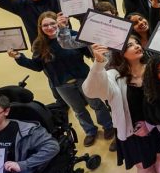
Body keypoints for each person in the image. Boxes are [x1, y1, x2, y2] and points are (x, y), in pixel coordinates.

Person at [83, 40, 160, 173]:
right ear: (120, 52)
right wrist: (98, 63)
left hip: (157, 126)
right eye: (129, 45)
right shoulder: (113, 75)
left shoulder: (153, 69)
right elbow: (91, 90)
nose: (136, 46)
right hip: (131, 131)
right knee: (144, 166)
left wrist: (150, 125)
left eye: (137, 43)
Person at [8, 11, 114, 145]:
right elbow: (37, 66)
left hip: (84, 77)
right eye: (45, 25)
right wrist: (19, 58)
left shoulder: (72, 35)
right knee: (78, 110)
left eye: (52, 23)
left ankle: (108, 126)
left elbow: (89, 53)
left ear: (58, 23)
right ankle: (90, 131)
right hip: (61, 84)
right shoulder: (39, 45)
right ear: (40, 28)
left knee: (97, 104)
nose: (49, 27)